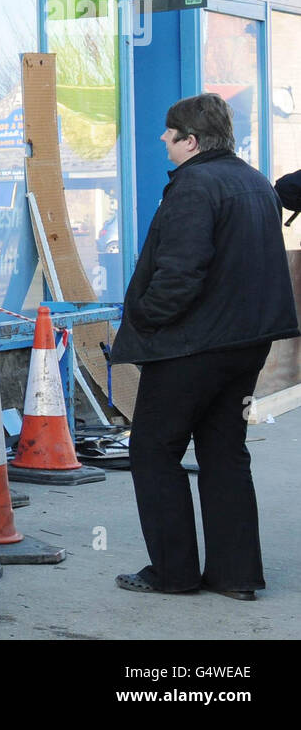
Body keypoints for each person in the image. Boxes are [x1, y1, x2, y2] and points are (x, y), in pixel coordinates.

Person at [111, 93, 298, 600]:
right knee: (224, 452)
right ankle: (236, 576)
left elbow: (179, 274)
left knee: (153, 451)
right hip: (246, 342)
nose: (162, 142)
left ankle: (173, 573)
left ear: (190, 142)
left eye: (169, 135)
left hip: (193, 345)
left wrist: (144, 317)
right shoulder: (255, 181)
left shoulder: (194, 186)